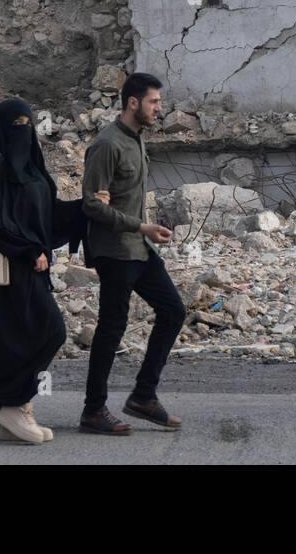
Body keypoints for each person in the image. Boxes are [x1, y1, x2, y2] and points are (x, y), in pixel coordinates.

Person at [0, 97, 105, 444]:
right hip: (7, 270)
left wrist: (86, 208)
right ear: (2, 127)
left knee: (29, 337)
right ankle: (13, 405)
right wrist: (29, 249)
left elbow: (47, 217)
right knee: (49, 331)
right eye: (16, 124)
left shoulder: (34, 166)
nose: (23, 130)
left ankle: (15, 410)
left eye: (27, 123)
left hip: (30, 268)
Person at [80, 72, 185, 436]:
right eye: (154, 102)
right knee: (112, 329)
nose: (160, 108)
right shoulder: (107, 144)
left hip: (139, 248)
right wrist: (141, 227)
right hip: (113, 251)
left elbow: (123, 199)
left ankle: (143, 396)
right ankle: (93, 411)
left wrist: (146, 228)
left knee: (173, 311)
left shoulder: (137, 139)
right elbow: (91, 206)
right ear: (133, 103)